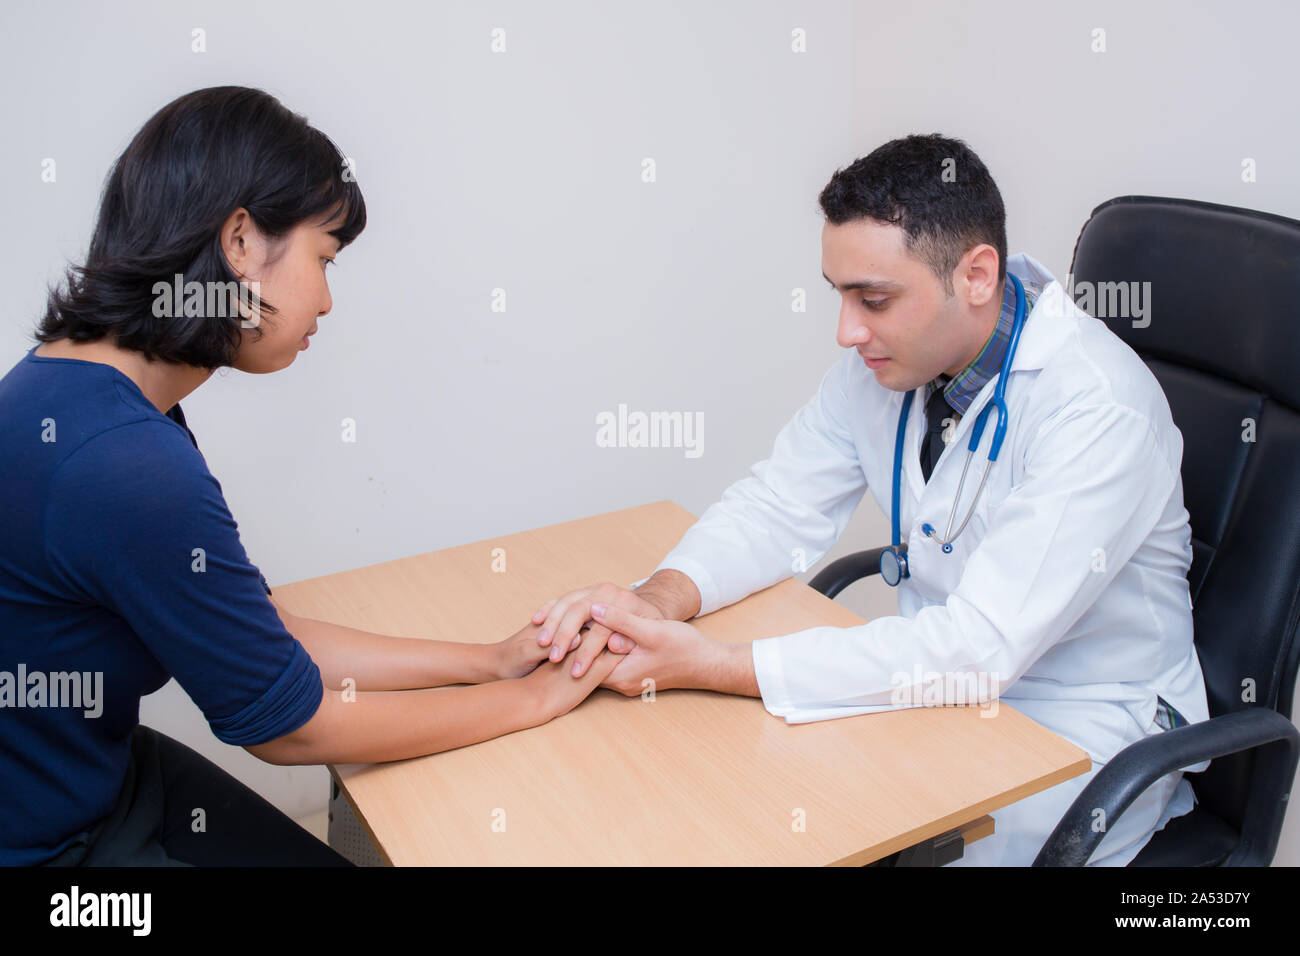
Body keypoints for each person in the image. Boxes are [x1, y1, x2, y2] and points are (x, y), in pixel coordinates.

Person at [527, 134, 1211, 866]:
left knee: (823, 832)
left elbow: (980, 649)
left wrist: (710, 665)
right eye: (840, 294)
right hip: (946, 699)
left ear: (977, 274)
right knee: (725, 787)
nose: (847, 331)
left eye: (874, 299)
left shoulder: (1098, 408)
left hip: (1085, 727)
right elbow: (777, 506)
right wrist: (659, 601)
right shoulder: (890, 363)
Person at [0, 86, 617, 867]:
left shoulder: (88, 398)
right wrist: (530, 701)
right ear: (240, 243)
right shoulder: (124, 464)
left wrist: (488, 661)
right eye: (323, 259)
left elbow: (261, 636)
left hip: (105, 781)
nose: (326, 300)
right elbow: (291, 725)